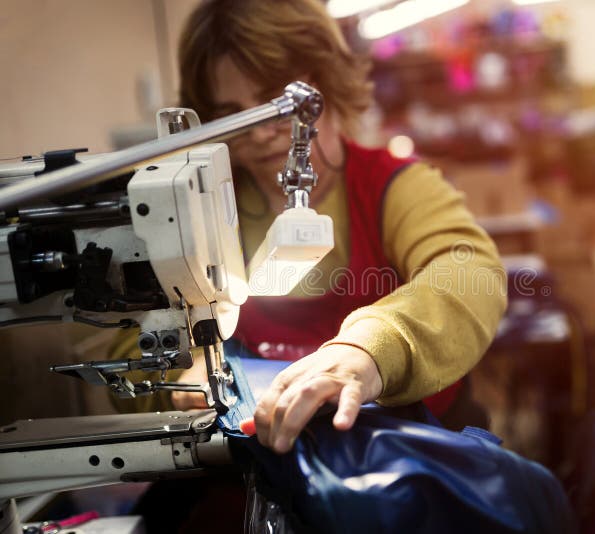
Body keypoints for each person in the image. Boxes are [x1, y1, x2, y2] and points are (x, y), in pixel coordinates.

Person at [111, 0, 506, 455]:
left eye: (276, 106)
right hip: (260, 456)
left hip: (408, 456)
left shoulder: (394, 188)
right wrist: (183, 379)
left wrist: (371, 351)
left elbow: (469, 274)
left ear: (328, 86)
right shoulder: (198, 210)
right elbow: (126, 348)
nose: (261, 132)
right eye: (234, 114)